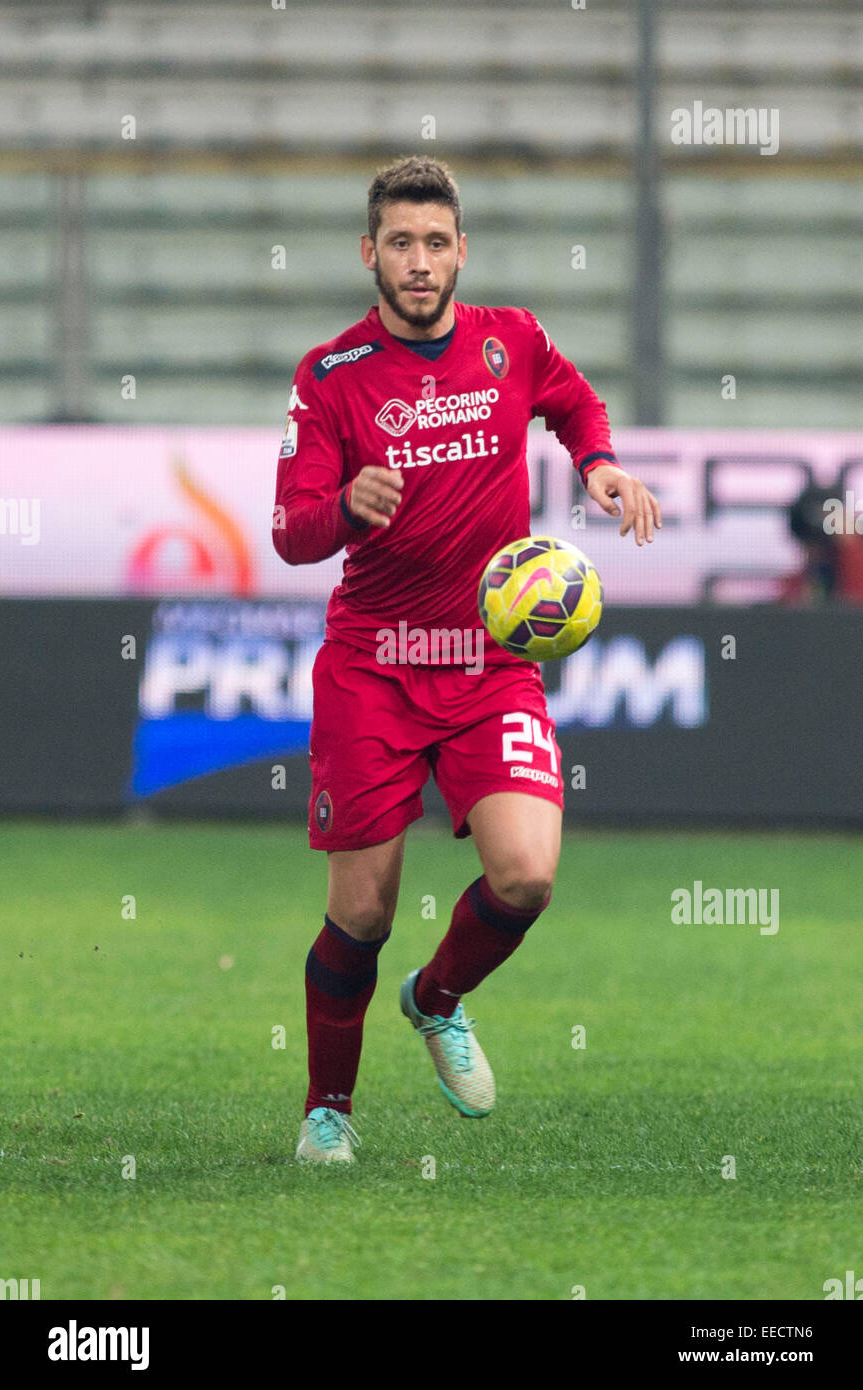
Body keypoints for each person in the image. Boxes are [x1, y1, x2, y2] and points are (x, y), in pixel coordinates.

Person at [272, 155, 662, 1162]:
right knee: (361, 907)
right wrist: (343, 506)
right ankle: (329, 1113)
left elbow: (574, 404)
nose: (418, 261)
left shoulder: (512, 340)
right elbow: (289, 531)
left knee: (527, 875)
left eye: (435, 243)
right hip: (373, 663)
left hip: (489, 664)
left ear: (460, 253)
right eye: (399, 242)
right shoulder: (328, 378)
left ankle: (436, 998)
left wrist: (602, 465)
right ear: (369, 253)